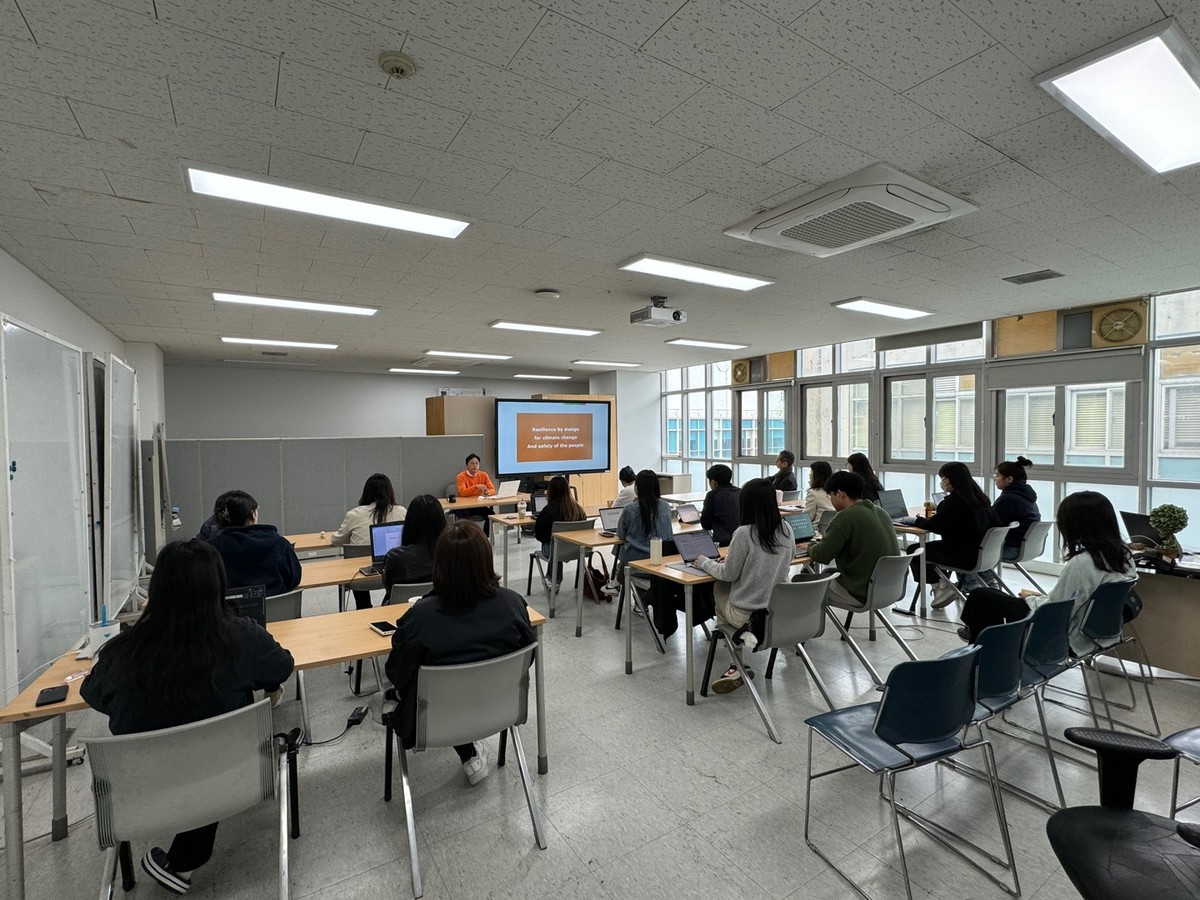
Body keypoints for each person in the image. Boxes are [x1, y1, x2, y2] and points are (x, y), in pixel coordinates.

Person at [81, 540, 294, 895]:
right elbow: (283, 666)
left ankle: (180, 860)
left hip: (140, 791)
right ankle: (183, 860)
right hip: (235, 775)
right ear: (219, 586)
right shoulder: (242, 637)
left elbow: (94, 696)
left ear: (157, 590)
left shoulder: (122, 652)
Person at [384, 522, 535, 785]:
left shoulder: (421, 618)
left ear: (439, 565)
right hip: (499, 709)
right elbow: (527, 659)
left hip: (432, 724)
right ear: (486, 559)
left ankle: (468, 752)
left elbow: (396, 672)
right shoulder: (513, 604)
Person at [959, 491, 1135, 649]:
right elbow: (1073, 599)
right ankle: (979, 641)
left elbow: (1056, 610)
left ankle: (978, 650)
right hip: (1101, 632)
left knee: (981, 597)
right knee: (989, 598)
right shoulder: (1124, 554)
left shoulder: (1083, 563)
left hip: (1063, 633)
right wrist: (1038, 598)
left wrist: (1033, 600)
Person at [694, 478, 795, 694]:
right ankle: (735, 663)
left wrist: (704, 562)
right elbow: (788, 558)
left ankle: (736, 662)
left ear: (746, 504)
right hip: (778, 614)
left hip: (747, 617)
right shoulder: (786, 528)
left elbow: (728, 574)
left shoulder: (743, 533)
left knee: (720, 587)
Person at [905, 463, 999, 609]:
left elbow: (936, 526)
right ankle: (943, 584)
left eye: (943, 478)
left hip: (963, 556)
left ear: (951, 479)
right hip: (983, 553)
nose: (942, 482)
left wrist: (915, 520)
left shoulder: (955, 501)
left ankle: (941, 588)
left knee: (915, 550)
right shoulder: (980, 498)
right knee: (933, 549)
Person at [801, 471, 899, 610]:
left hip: (859, 592)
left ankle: (808, 630)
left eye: (830, 496)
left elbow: (823, 555)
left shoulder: (845, 517)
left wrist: (810, 546)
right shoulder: (881, 512)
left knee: (799, 582)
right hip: (888, 588)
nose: (830, 500)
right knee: (826, 574)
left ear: (840, 494)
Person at [332, 473, 407, 609]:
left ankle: (363, 607)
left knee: (354, 566)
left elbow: (337, 541)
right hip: (392, 573)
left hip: (358, 579)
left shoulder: (353, 514)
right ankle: (388, 603)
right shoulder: (401, 512)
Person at [207, 490, 301, 596]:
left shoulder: (208, 550)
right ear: (253, 514)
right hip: (276, 610)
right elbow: (294, 578)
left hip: (228, 611)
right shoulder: (280, 544)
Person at [979, 456, 1040, 589]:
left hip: (1011, 548)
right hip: (1025, 547)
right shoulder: (1027, 496)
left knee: (969, 548)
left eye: (997, 475)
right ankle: (984, 583)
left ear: (1009, 479)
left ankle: (974, 584)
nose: (995, 479)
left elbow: (991, 524)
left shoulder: (1009, 499)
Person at [381, 494, 445, 598]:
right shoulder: (452, 552)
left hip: (400, 609)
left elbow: (389, 588)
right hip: (441, 607)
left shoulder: (395, 557)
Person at [534, 475, 588, 584]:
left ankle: (553, 581)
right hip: (578, 550)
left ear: (550, 491)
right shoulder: (579, 509)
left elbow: (538, 534)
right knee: (556, 544)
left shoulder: (548, 510)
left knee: (553, 544)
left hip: (556, 551)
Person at [617, 469, 673, 566]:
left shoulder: (630, 509)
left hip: (636, 563)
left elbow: (621, 534)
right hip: (663, 562)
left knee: (621, 549)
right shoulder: (666, 507)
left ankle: (616, 577)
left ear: (637, 488)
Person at [700, 464, 741, 547]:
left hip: (723, 541)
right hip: (742, 538)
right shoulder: (741, 492)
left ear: (714, 482)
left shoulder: (713, 495)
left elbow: (705, 524)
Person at [454, 453, 495, 534]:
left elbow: (492, 489)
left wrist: (488, 492)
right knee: (464, 516)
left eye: (477, 463)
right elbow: (462, 492)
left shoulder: (483, 475)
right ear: (467, 465)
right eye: (472, 463)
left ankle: (486, 537)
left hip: (477, 505)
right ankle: (466, 538)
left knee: (491, 514)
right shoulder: (460, 476)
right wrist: (476, 487)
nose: (475, 466)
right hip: (463, 506)